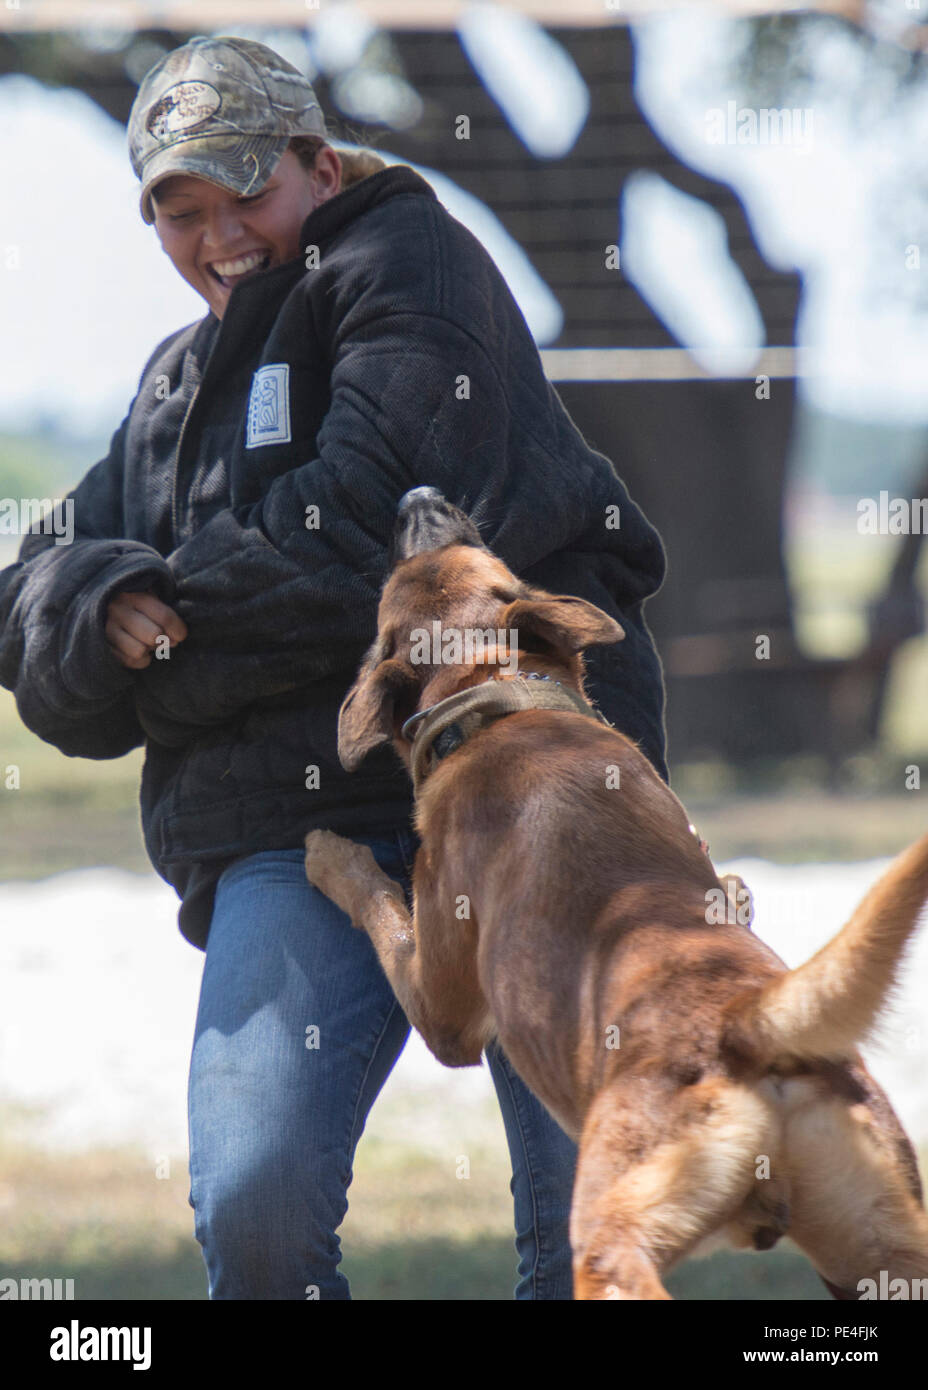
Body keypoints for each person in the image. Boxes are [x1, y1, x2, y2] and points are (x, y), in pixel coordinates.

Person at [0, 35, 669, 1300]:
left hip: (536, 813)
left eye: (246, 189)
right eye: (180, 211)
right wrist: (98, 600)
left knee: (587, 1234)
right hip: (299, 827)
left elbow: (370, 536)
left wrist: (168, 657)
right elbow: (28, 593)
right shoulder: (175, 387)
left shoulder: (407, 263)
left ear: (317, 160)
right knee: (253, 1208)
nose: (219, 234)